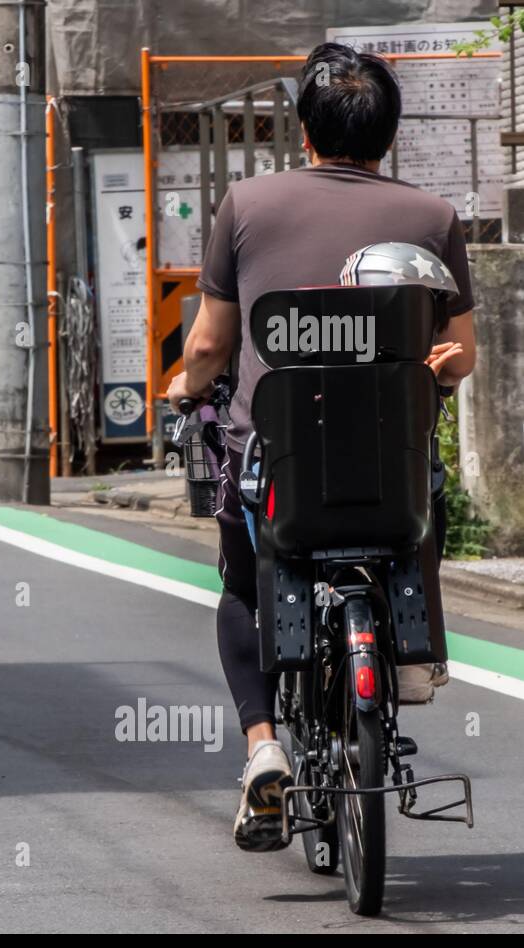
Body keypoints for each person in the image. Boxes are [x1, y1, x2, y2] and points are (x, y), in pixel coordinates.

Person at [166, 42, 477, 852]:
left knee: (244, 584)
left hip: (280, 464)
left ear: (304, 132)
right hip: (390, 466)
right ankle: (412, 656)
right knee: (422, 500)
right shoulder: (434, 219)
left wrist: (178, 391)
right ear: (389, 134)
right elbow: (462, 355)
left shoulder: (246, 204)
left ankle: (264, 743)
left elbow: (207, 348)